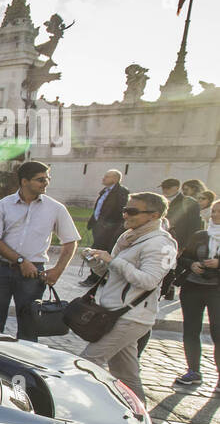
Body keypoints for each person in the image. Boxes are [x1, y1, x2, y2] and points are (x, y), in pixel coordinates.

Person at [81, 192, 177, 401]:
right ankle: (138, 416)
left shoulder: (160, 244)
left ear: (154, 215)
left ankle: (75, 408)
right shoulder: (129, 238)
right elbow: (112, 274)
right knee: (126, 375)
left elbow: (148, 280)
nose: (125, 215)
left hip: (132, 316)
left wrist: (113, 260)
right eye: (125, 210)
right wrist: (96, 261)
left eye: (132, 211)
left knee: (87, 363)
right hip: (115, 311)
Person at [0, 161, 80, 341]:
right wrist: (21, 261)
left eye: (48, 178)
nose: (46, 183)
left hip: (33, 274)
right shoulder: (2, 205)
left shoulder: (55, 208)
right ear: (24, 181)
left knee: (29, 328)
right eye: (40, 179)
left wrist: (58, 270)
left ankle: (23, 364)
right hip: (0, 271)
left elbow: (71, 242)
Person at [172, 199, 220, 386]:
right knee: (191, 330)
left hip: (216, 290)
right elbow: (183, 257)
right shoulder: (201, 235)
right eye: (214, 211)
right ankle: (193, 370)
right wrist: (191, 264)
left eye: (219, 212)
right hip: (193, 287)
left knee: (218, 332)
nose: (215, 215)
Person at [83, 169, 130, 285]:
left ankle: (96, 278)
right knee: (96, 250)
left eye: (107, 176)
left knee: (101, 252)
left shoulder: (121, 192)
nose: (103, 178)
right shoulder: (105, 191)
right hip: (99, 226)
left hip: (109, 229)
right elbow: (99, 208)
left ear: (115, 179)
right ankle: (98, 277)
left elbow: (121, 211)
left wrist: (109, 226)